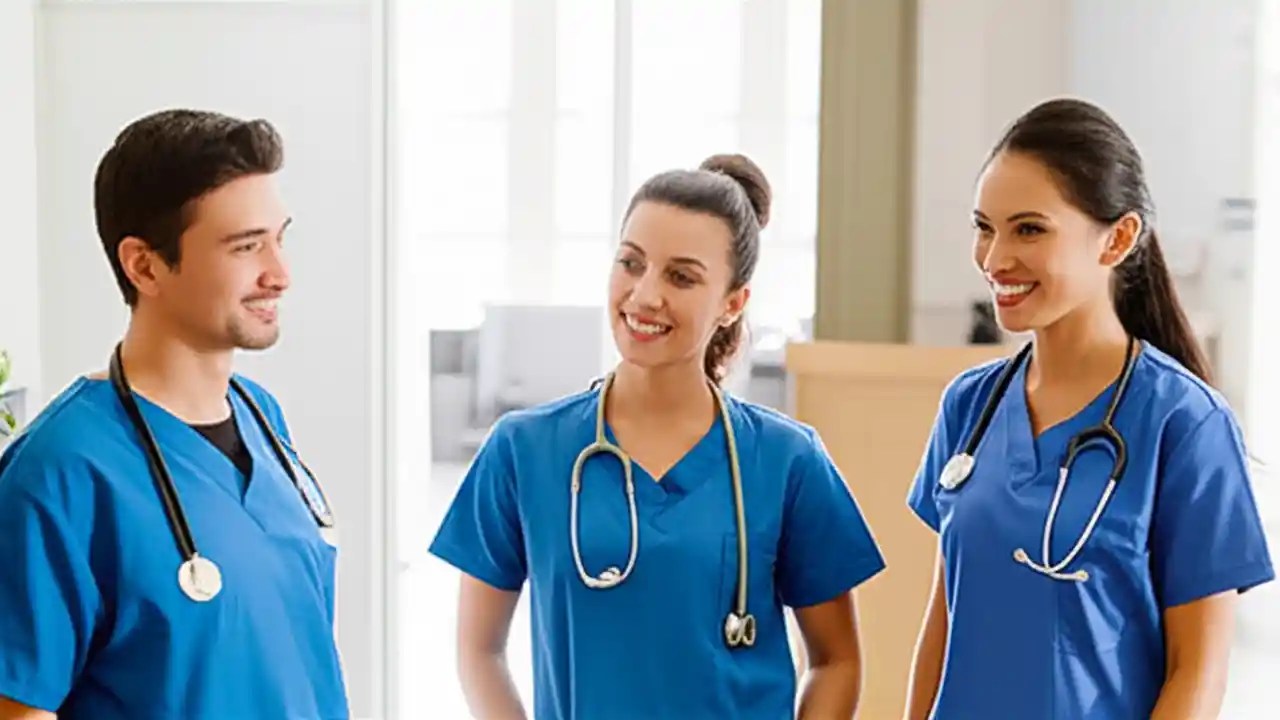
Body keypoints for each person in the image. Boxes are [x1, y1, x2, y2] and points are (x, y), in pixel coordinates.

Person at [429, 153, 887, 719]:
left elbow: (836, 660)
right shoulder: (524, 451)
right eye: (631, 263)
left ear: (732, 302)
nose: (645, 295)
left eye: (682, 276)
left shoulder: (787, 461)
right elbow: (479, 649)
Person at [903, 97, 1275, 719]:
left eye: (1029, 229)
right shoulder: (970, 406)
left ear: (1118, 239)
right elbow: (943, 623)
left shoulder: (1185, 424)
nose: (995, 258)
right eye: (984, 226)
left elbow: (1198, 673)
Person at [0, 109, 349, 719]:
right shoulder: (59, 472)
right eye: (246, 246)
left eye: (279, 237)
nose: (280, 274)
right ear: (145, 265)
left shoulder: (262, 419)